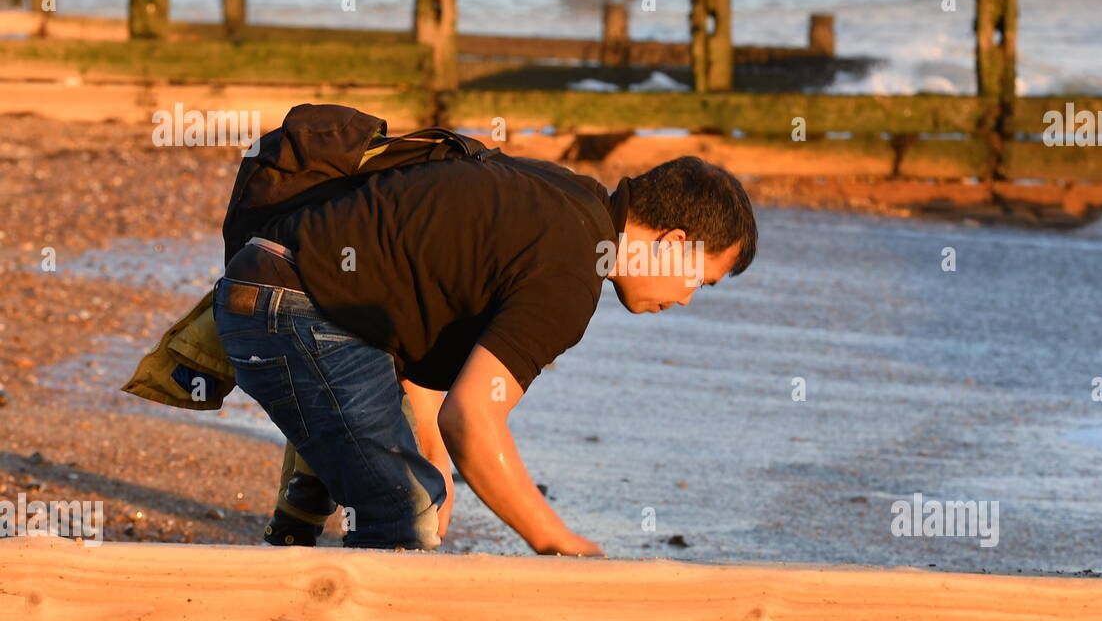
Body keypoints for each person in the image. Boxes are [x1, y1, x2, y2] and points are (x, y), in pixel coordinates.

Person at [212, 150, 757, 556]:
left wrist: (434, 459)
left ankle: (294, 530)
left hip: (279, 290)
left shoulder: (570, 201)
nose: (686, 297)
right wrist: (555, 540)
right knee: (404, 519)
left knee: (411, 489)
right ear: (672, 242)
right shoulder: (574, 269)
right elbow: (472, 416)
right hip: (297, 309)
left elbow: (425, 312)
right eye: (699, 281)